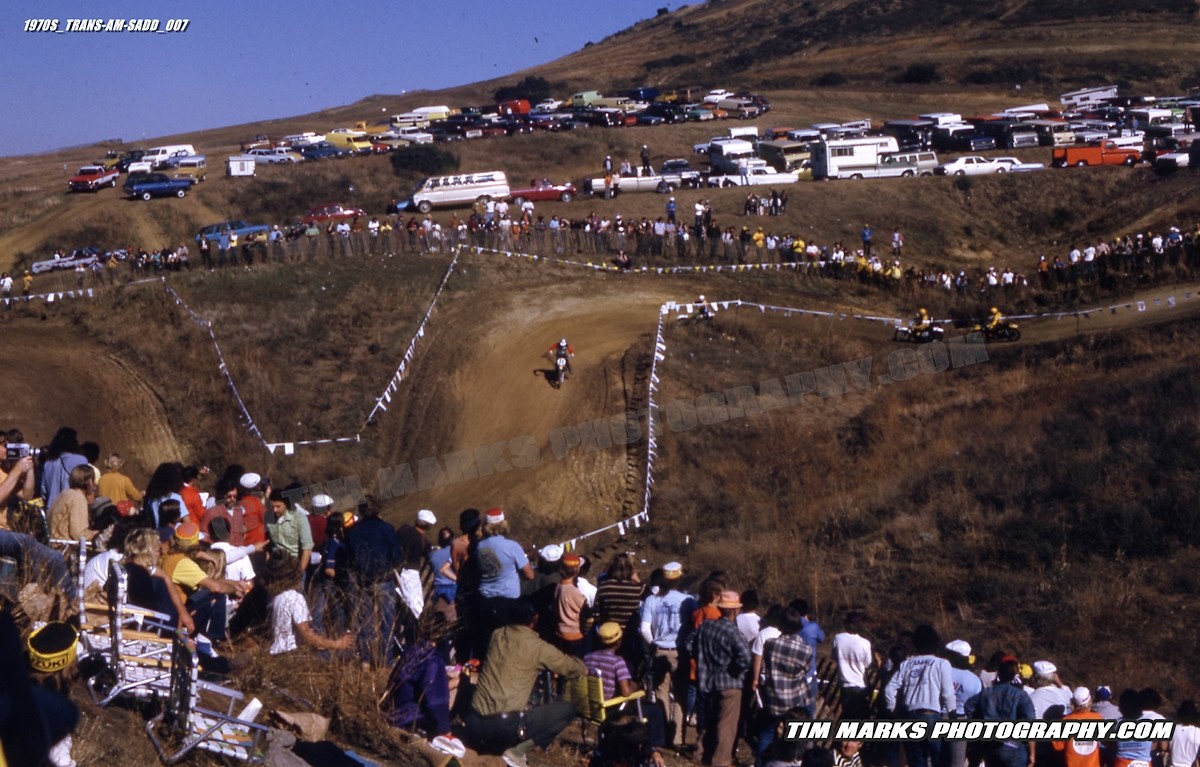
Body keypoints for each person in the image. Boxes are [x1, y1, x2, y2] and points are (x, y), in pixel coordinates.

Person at [464, 601, 586, 767]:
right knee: (567, 709)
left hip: (474, 723)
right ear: (534, 619)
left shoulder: (497, 635)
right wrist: (582, 665)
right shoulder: (537, 647)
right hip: (502, 728)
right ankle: (517, 751)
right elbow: (570, 667)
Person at [688, 590, 751, 767]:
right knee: (726, 725)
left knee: (709, 720)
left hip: (707, 682)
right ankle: (720, 761)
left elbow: (689, 644)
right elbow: (745, 657)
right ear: (735, 611)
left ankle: (701, 753)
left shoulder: (706, 627)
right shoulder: (734, 633)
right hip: (729, 683)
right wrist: (735, 670)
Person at [882, 624, 955, 767]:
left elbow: (889, 688)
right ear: (935, 643)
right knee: (939, 760)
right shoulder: (941, 663)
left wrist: (891, 708)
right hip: (932, 716)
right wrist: (952, 713)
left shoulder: (906, 664)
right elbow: (947, 692)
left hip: (910, 716)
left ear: (915, 643)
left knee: (916, 761)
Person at [586, 622, 667, 747]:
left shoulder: (588, 657)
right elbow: (626, 692)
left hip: (592, 706)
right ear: (618, 642)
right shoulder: (617, 662)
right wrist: (636, 686)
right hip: (611, 708)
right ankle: (655, 749)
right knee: (655, 711)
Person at [639, 562, 693, 751]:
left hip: (659, 649)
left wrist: (653, 644)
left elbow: (645, 628)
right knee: (679, 695)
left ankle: (660, 734)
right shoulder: (688, 601)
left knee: (661, 693)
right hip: (680, 651)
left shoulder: (652, 600)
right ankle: (676, 737)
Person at [756, 607, 813, 767]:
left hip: (773, 697)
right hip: (793, 699)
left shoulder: (770, 644)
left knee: (766, 734)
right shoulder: (806, 650)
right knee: (794, 739)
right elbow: (806, 670)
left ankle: (762, 764)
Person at [264, 553, 352, 655]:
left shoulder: (275, 598)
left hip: (276, 653)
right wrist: (337, 644)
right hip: (293, 654)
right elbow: (307, 635)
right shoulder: (295, 598)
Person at [964, 657, 1036, 767]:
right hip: (1014, 746)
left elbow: (969, 706)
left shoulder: (987, 692)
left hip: (990, 745)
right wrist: (1032, 754)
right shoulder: (1021, 695)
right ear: (1014, 675)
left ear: (999, 674)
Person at [832, 611, 873, 720]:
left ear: (846, 623)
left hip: (845, 685)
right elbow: (867, 664)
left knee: (848, 718)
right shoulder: (865, 643)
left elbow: (834, 657)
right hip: (860, 685)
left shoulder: (838, 638)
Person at [1051, 687, 1105, 767]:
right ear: (1089, 701)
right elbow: (1108, 742)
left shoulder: (1065, 721)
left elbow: (1058, 747)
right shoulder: (1098, 718)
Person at [48, 465, 98, 543]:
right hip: (65, 546)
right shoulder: (78, 498)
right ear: (90, 482)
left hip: (53, 542)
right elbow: (79, 534)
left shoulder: (64, 494)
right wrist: (98, 534)